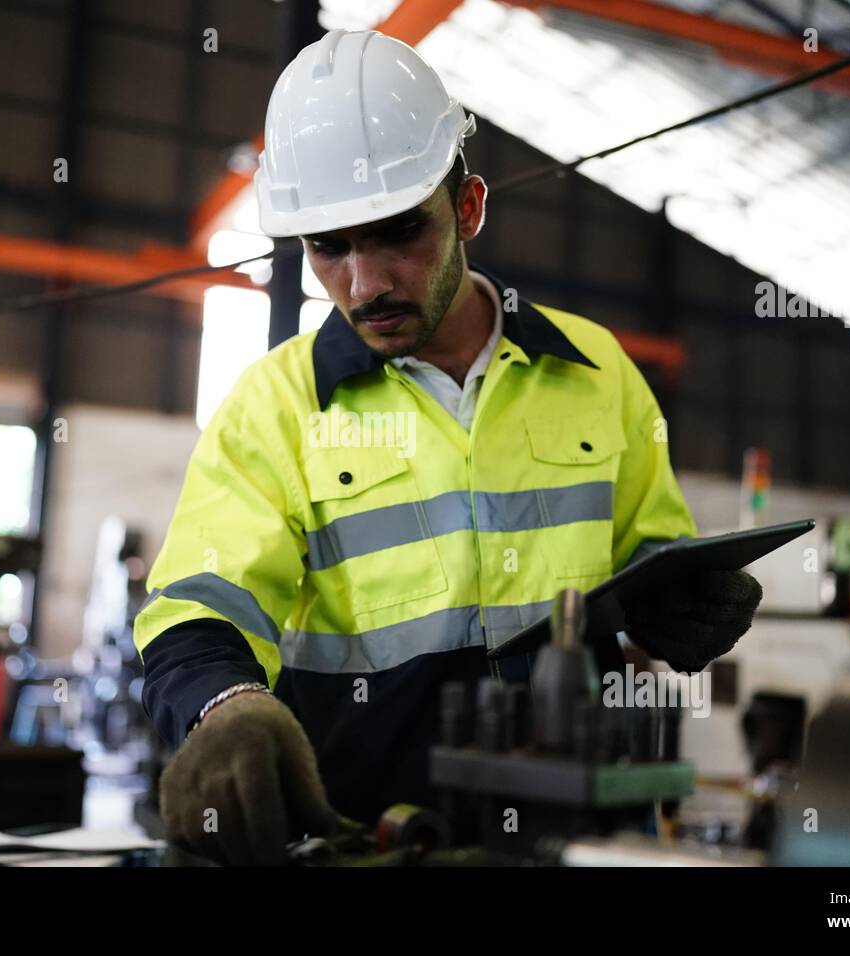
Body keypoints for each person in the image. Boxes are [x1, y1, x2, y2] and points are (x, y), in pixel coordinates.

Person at [135, 28, 761, 866]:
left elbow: (647, 553)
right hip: (378, 842)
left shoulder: (597, 371)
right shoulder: (272, 409)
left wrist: (685, 603)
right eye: (330, 247)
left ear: (467, 207)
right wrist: (232, 706)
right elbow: (198, 610)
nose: (366, 284)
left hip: (587, 841)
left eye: (397, 233)